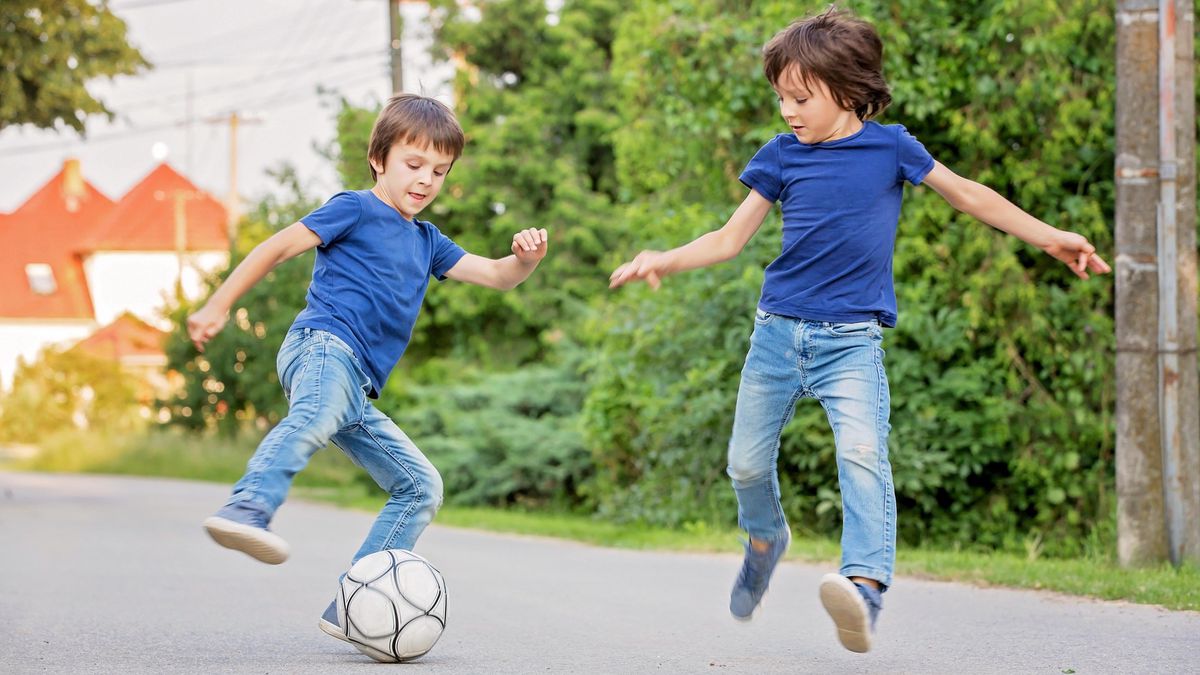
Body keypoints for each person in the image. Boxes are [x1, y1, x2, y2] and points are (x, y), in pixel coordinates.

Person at [608, 7, 1109, 654]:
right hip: (777, 335)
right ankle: (764, 539)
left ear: (847, 89)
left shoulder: (892, 148)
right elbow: (731, 239)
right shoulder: (781, 154)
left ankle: (865, 584)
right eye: (780, 97)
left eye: (800, 97)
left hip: (851, 341)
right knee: (744, 464)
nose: (787, 110)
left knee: (864, 455)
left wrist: (1050, 238)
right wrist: (665, 257)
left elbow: (971, 196)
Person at [187, 94, 549, 642]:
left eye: (440, 171)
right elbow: (275, 249)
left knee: (421, 485)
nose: (426, 180)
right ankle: (249, 506)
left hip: (357, 386)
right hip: (322, 346)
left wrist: (525, 260)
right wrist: (218, 304)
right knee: (319, 408)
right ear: (379, 158)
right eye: (414, 164)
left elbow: (498, 276)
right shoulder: (355, 208)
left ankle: (351, 606)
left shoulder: (429, 242)